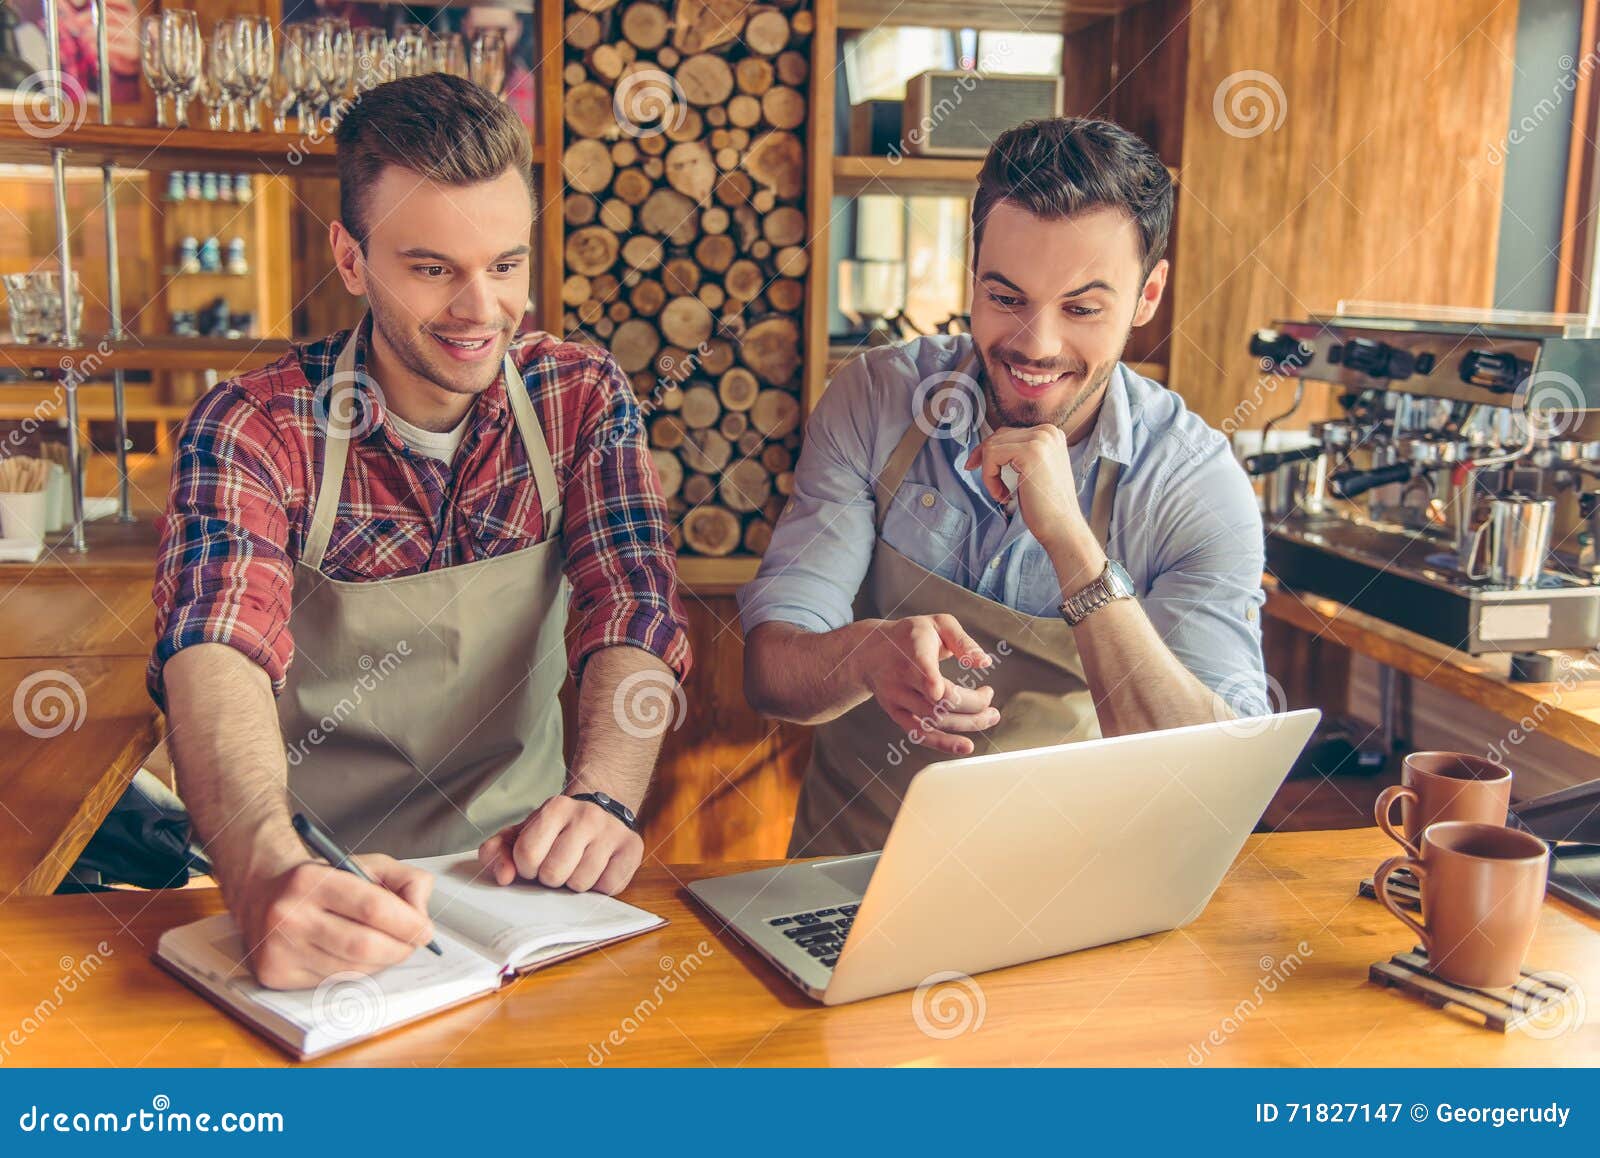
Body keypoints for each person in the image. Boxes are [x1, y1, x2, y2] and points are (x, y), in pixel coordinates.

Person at [150, 75, 690, 989]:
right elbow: (214, 646)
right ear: (352, 261)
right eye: (433, 269)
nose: (481, 310)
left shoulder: (580, 397)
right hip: (314, 882)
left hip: (521, 884)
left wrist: (605, 794)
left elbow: (632, 606)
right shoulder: (254, 424)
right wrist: (259, 868)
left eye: (506, 265)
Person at [740, 117, 1269, 856]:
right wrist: (861, 655)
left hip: (1070, 904)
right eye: (1007, 297)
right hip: (845, 879)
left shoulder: (1191, 484)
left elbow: (1214, 778)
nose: (1037, 345)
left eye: (1082, 308)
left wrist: (1072, 544)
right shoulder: (878, 399)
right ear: (973, 270)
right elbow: (770, 673)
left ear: (1148, 295)